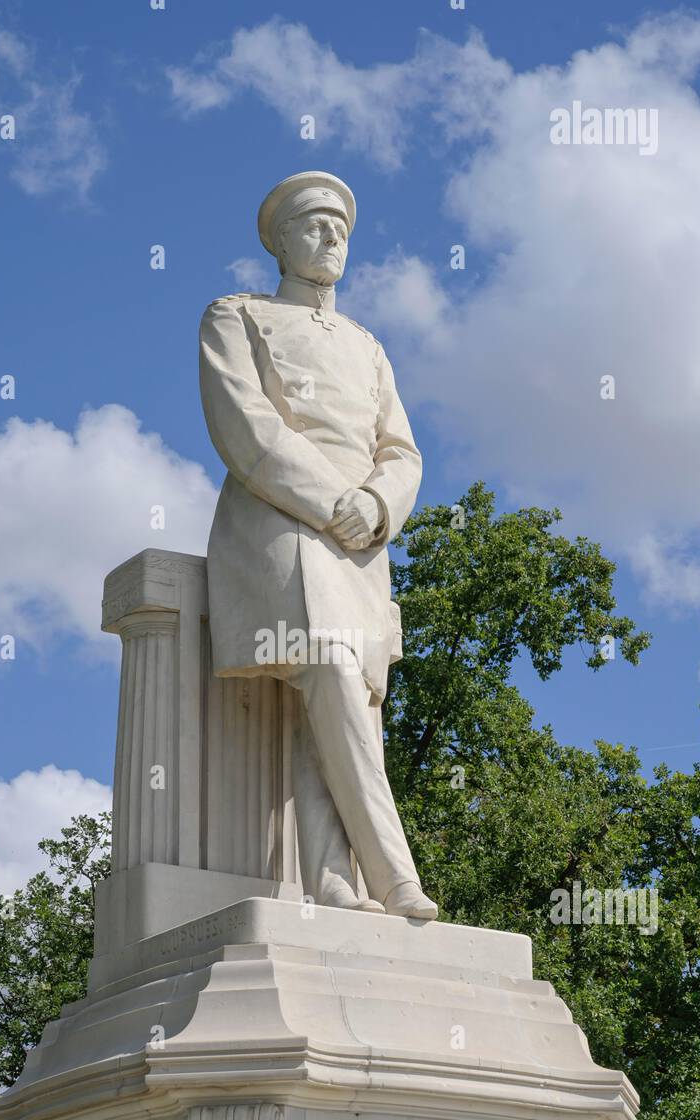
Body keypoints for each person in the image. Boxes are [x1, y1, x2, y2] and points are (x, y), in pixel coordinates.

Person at [200, 171, 438, 920]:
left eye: (341, 226)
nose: (332, 236)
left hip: (362, 541)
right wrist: (331, 500)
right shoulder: (235, 316)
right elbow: (248, 431)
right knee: (331, 671)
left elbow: (402, 451)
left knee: (342, 706)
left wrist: (374, 503)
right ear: (277, 241)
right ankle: (396, 876)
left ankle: (333, 883)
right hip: (281, 522)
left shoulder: (368, 347)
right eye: (313, 224)